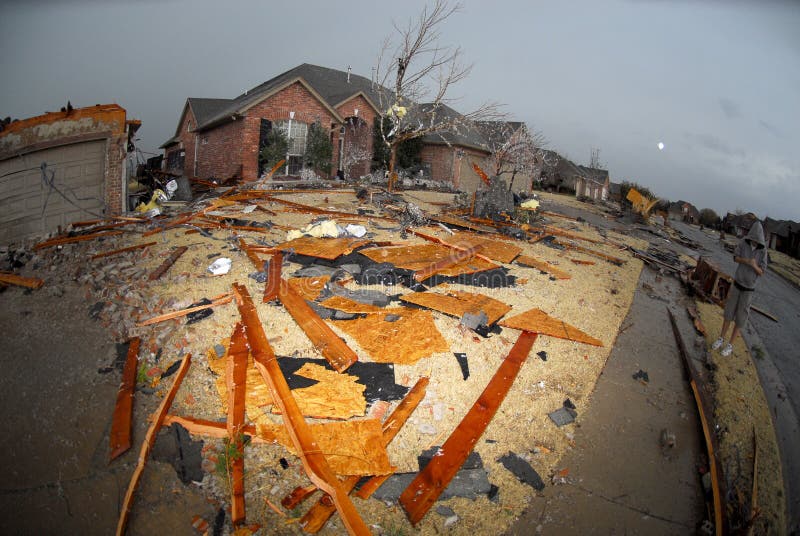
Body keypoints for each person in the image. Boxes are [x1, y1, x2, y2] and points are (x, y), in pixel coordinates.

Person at [712, 221, 768, 356]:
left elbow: (762, 272)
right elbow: (735, 258)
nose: (754, 240)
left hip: (748, 290)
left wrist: (754, 266)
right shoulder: (744, 243)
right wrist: (747, 261)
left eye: (757, 238)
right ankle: (721, 338)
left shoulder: (763, 251)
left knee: (740, 318)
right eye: (753, 237)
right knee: (728, 313)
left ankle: (730, 345)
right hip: (737, 285)